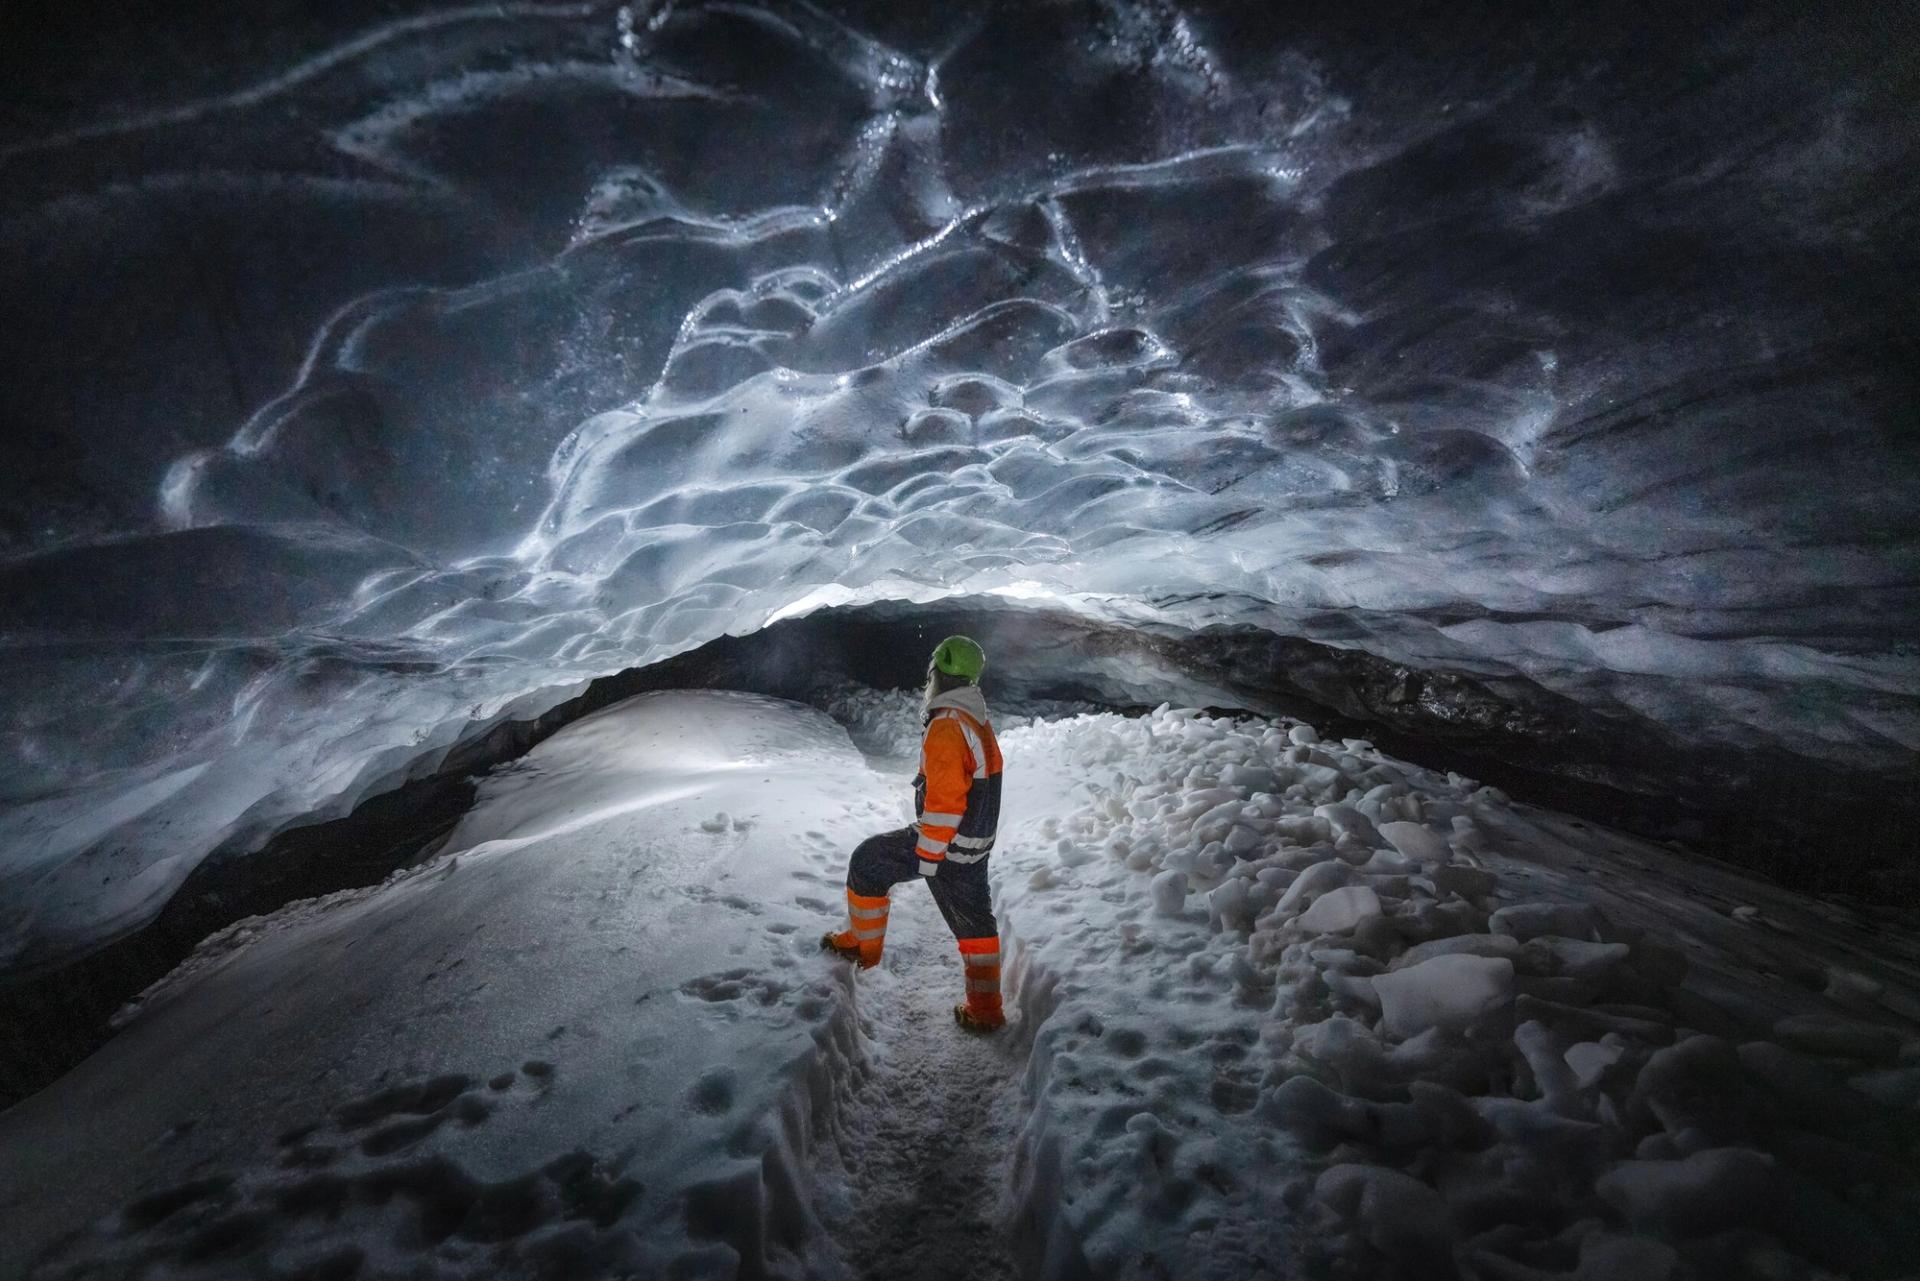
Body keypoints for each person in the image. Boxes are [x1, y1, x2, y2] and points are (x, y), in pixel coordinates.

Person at [822, 635, 1006, 1031]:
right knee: (976, 926)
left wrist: (928, 857)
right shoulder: (977, 721)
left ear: (939, 674)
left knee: (868, 861)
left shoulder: (947, 726)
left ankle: (861, 948)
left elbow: (945, 804)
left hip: (947, 845)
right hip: (974, 847)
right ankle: (986, 1009)